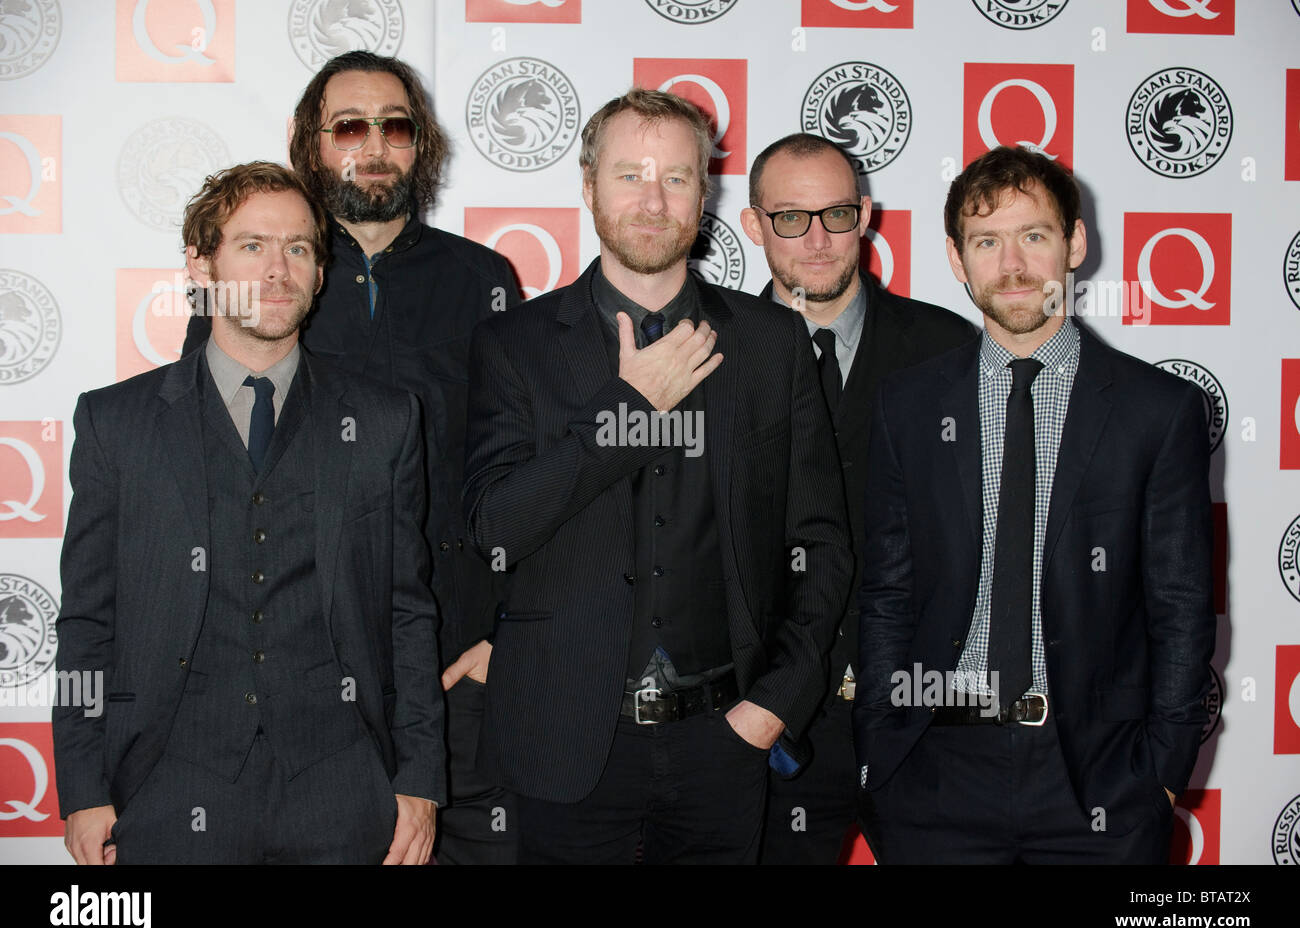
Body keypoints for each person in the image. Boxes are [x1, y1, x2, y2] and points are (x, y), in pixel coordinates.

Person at [462, 89, 854, 864]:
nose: (652, 199)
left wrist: (774, 705)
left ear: (704, 197)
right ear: (588, 186)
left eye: (677, 177)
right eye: (629, 174)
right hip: (570, 743)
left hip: (727, 741)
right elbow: (494, 528)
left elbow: (822, 545)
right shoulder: (517, 344)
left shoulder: (772, 343)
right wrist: (627, 408)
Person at [182, 52, 521, 864]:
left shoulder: (486, 281)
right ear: (310, 140)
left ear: (420, 145)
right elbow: (214, 477)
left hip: (455, 671)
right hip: (301, 679)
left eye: (396, 127)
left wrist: (501, 633)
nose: (374, 146)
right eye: (349, 127)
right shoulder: (269, 280)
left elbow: (521, 473)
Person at [55, 162, 442, 864]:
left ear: (321, 274)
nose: (278, 268)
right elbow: (88, 620)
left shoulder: (384, 420)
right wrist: (82, 785)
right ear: (201, 265)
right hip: (167, 787)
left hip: (345, 787)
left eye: (298, 248)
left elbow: (407, 612)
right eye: (252, 245)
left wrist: (419, 778)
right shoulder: (117, 423)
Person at [853, 146, 1215, 863]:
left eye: (1034, 236)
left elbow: (1181, 607)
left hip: (1097, 778)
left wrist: (1162, 776)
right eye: (987, 241)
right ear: (957, 259)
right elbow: (888, 593)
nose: (1012, 265)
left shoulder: (1158, 410)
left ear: (1076, 242)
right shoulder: (908, 405)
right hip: (935, 769)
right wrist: (882, 746)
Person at [739, 133, 976, 864]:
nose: (817, 239)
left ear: (866, 215)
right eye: (790, 218)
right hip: (770, 732)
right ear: (752, 224)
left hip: (928, 729)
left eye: (837, 214)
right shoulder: (709, 355)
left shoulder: (951, 350)